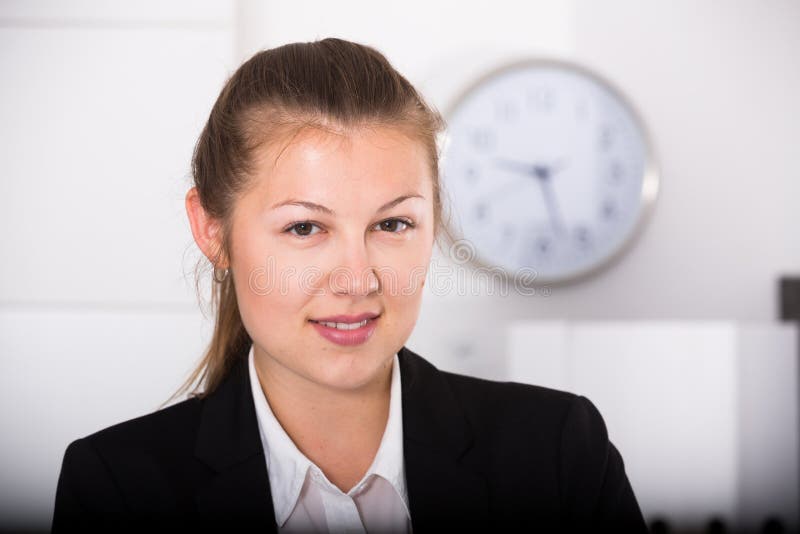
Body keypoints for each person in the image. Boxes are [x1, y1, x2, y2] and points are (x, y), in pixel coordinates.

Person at [51, 37, 647, 533]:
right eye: (305, 227)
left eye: (392, 224)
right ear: (213, 230)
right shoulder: (117, 489)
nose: (358, 280)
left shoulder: (560, 454)